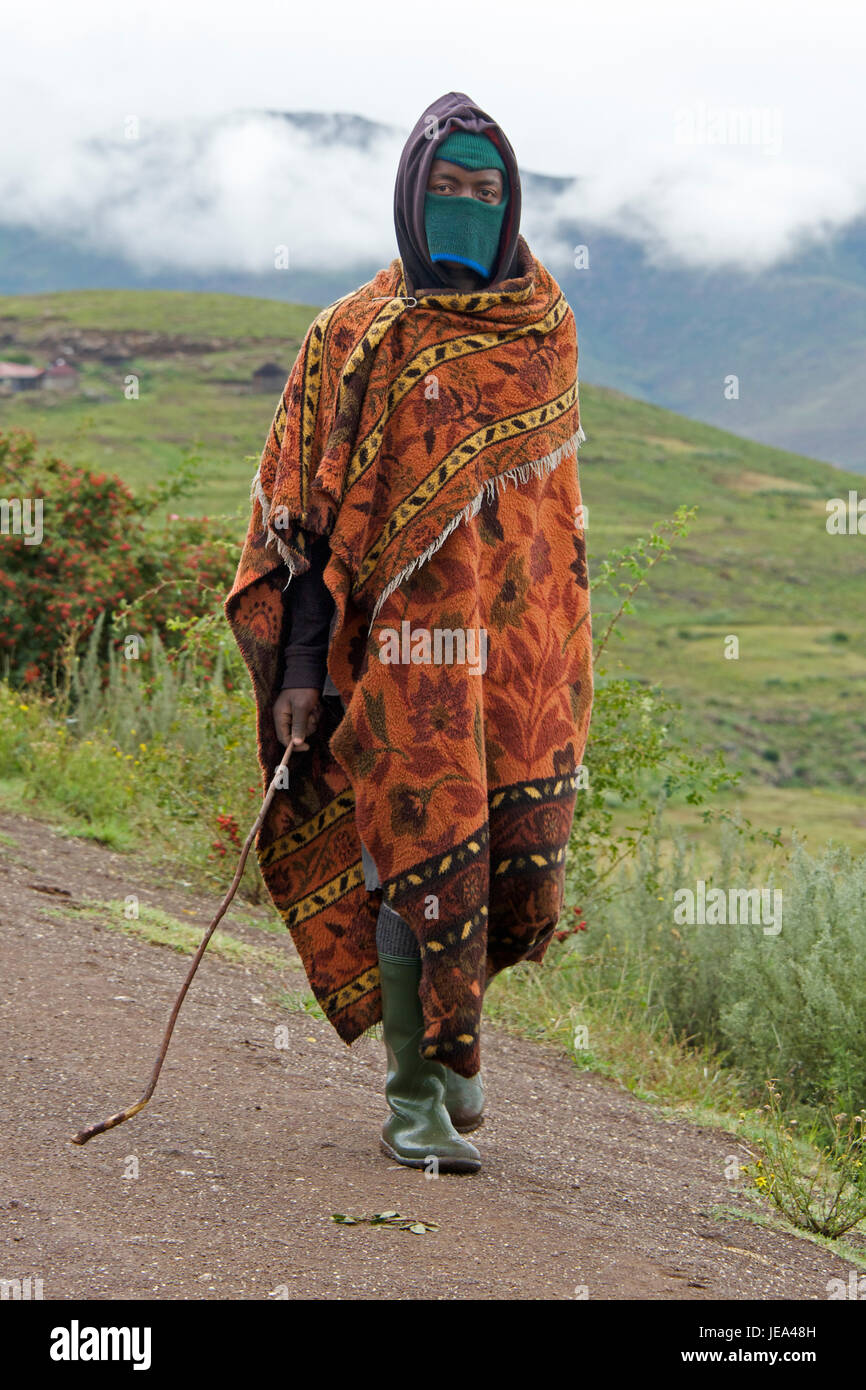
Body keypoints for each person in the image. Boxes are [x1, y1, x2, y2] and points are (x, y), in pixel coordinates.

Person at [225, 91, 593, 1175]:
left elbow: (547, 530)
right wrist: (300, 672)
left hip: (521, 663)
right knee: (414, 856)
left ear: (512, 198)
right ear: (408, 193)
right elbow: (301, 526)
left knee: (510, 867)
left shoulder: (543, 329)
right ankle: (413, 1103)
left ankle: (455, 1041)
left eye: (485, 190)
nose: (466, 205)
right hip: (392, 664)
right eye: (447, 189)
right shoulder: (351, 335)